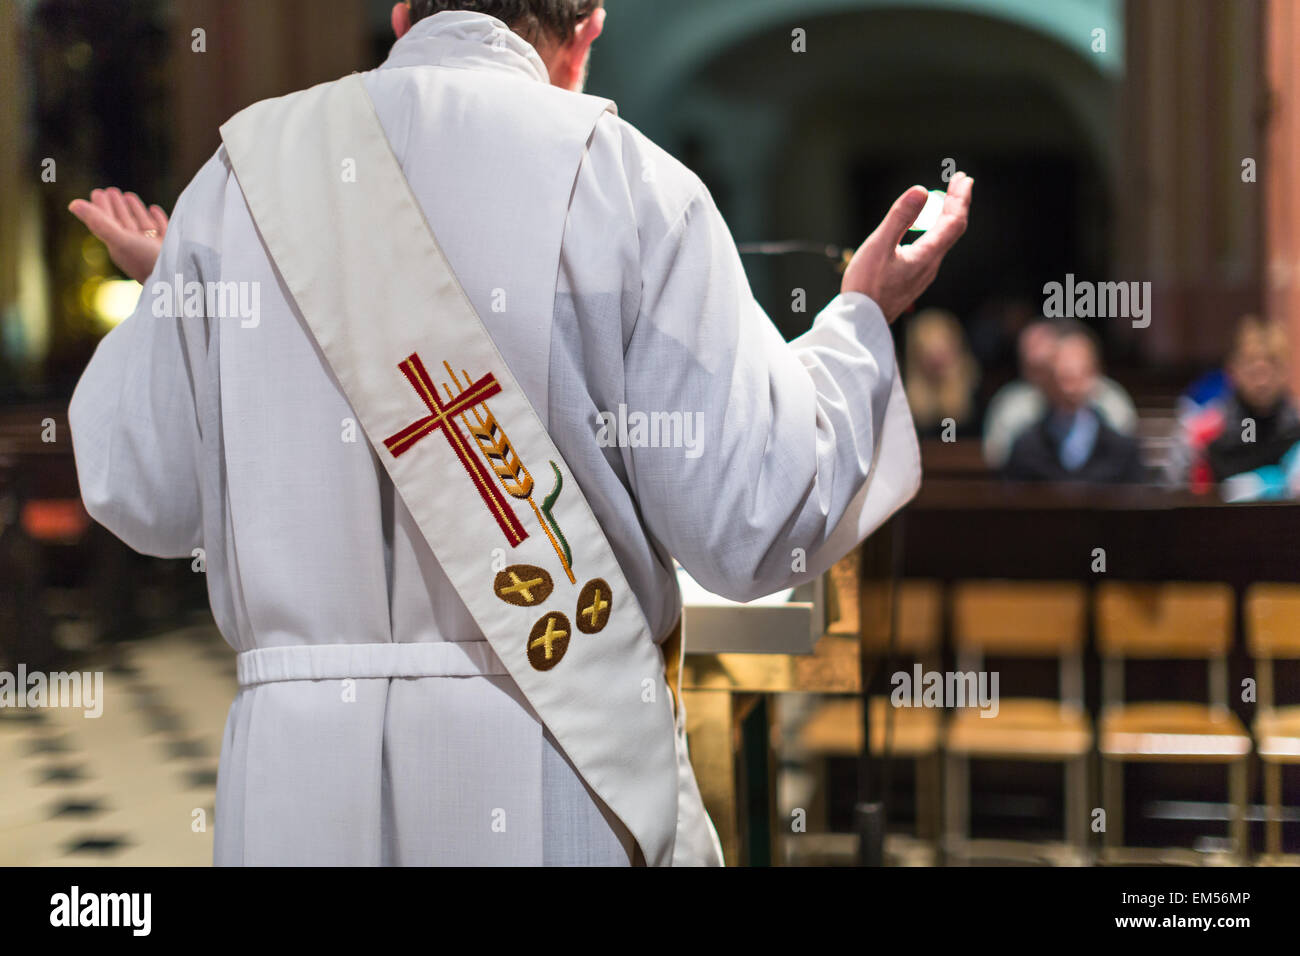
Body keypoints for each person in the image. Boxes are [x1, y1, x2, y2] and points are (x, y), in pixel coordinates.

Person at [66, 1, 971, 866]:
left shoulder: (239, 182)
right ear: (586, 34)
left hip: (295, 785)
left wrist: (203, 300)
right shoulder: (628, 181)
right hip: (549, 758)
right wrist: (858, 319)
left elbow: (138, 485)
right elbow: (750, 520)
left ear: (403, 20)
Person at [982, 318, 1137, 469]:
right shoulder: (1025, 438)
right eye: (1063, 377)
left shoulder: (1113, 413)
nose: (1070, 389)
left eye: (1080, 373)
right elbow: (999, 461)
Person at [1178, 315, 1300, 498]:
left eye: (1272, 365)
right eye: (1252, 367)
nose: (1262, 380)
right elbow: (1178, 496)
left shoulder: (1297, 425)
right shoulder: (1202, 430)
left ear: (1286, 370)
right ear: (1232, 369)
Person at [903, 308, 980, 437]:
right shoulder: (902, 400)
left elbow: (952, 439)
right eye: (929, 355)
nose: (937, 362)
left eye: (942, 353)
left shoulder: (974, 392)